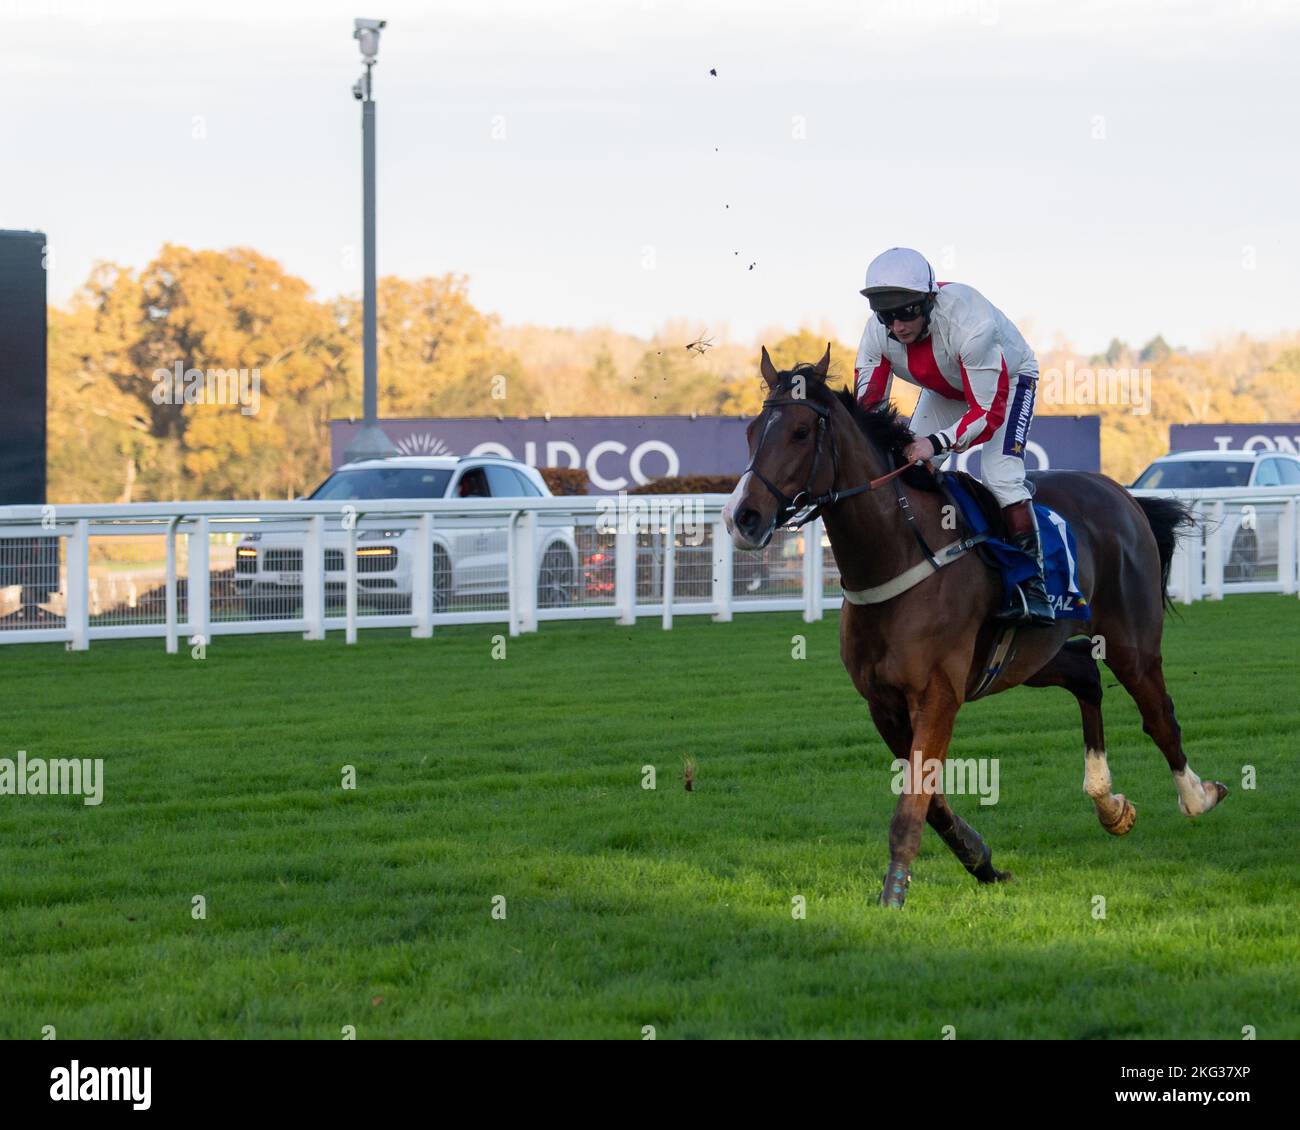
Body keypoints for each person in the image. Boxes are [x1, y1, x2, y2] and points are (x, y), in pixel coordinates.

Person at [854, 246, 1053, 625]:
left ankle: (1033, 588)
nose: (897, 325)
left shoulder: (970, 324)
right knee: (904, 469)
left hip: (1007, 383)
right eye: (886, 315)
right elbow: (868, 412)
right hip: (947, 390)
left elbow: (987, 414)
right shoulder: (876, 335)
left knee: (1000, 476)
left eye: (907, 311)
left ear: (929, 301)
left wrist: (934, 443)